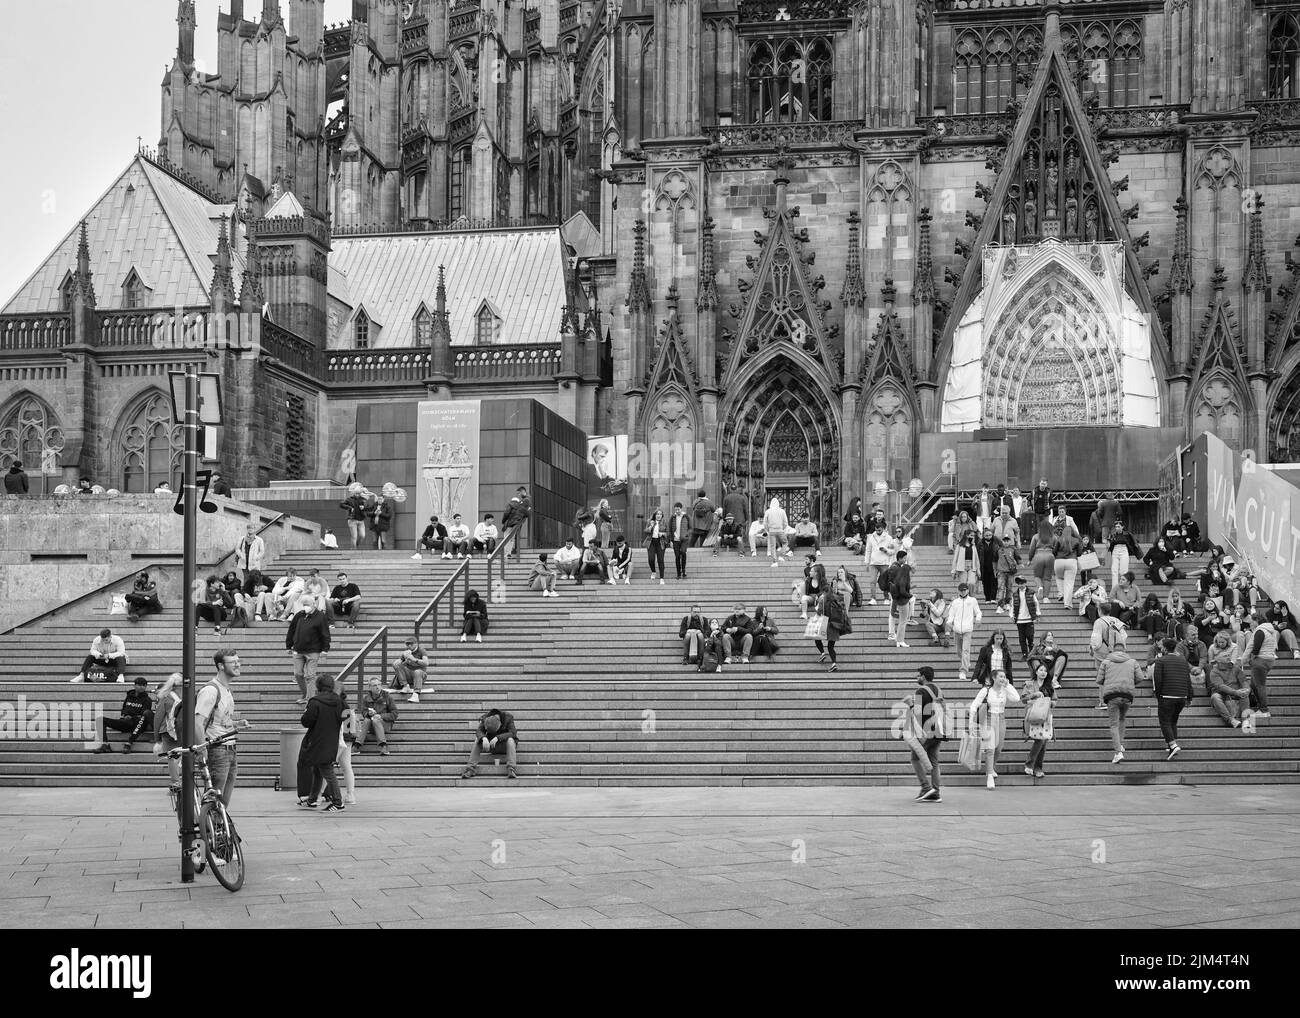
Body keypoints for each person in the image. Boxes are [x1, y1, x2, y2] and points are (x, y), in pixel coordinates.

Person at [195, 650, 241, 806]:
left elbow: (219, 720)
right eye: (233, 662)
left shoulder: (226, 689)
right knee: (214, 801)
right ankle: (209, 828)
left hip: (230, 748)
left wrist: (236, 724)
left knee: (222, 803)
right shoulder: (210, 690)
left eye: (238, 661)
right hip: (217, 749)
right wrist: (202, 751)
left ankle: (219, 828)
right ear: (221, 666)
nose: (238, 664)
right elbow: (197, 722)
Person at [297, 674, 345, 811]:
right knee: (318, 770)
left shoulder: (315, 702)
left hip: (316, 741)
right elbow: (345, 715)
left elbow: (306, 722)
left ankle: (338, 803)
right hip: (332, 741)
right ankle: (312, 800)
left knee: (327, 771)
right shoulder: (339, 701)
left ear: (318, 686)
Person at [969, 670, 1021, 789]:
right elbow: (974, 705)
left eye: (1004, 676)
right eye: (1001, 676)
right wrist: (971, 722)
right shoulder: (986, 690)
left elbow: (1016, 698)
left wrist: (1008, 685)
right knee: (990, 748)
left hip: (1001, 719)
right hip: (988, 718)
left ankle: (991, 767)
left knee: (999, 747)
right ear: (994, 678)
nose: (1003, 679)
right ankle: (989, 777)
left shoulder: (1005, 690)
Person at [907, 666, 947, 802]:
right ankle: (935, 792)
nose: (916, 678)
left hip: (927, 731)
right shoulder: (938, 690)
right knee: (934, 761)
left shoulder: (920, 691)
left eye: (918, 675)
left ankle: (925, 787)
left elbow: (917, 712)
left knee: (915, 758)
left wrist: (911, 705)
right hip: (939, 730)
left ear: (923, 676)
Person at [1097, 641, 1141, 764]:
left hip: (1112, 696)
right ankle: (1120, 744)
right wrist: (1129, 684)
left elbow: (1099, 680)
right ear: (1124, 650)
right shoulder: (1132, 662)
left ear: (1113, 650)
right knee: (1122, 719)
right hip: (1127, 695)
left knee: (1114, 724)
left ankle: (1118, 752)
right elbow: (1140, 677)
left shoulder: (1106, 662)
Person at [1153, 636, 1194, 759]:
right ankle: (1171, 745)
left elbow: (1158, 680)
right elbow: (1188, 679)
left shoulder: (1160, 661)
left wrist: (1158, 695)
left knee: (1164, 721)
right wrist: (1189, 696)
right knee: (1173, 721)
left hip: (1167, 695)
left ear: (1165, 648)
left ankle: (1173, 744)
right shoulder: (1182, 660)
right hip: (1181, 696)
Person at [91, 676, 155, 754]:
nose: (141, 687)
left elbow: (143, 715)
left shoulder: (147, 700)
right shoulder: (129, 696)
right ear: (134, 686)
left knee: (141, 720)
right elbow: (124, 708)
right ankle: (105, 745)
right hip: (125, 722)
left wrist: (131, 717)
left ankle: (129, 743)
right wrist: (124, 715)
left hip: (137, 724)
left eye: (144, 685)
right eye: (139, 685)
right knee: (100, 720)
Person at [286, 595, 330, 705]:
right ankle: (305, 694)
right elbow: (291, 630)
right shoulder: (299, 615)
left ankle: (310, 699)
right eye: (304, 605)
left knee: (310, 676)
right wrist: (288, 645)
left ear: (314, 604)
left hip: (313, 650)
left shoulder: (320, 616)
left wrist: (325, 649)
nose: (306, 607)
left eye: (308, 605)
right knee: (298, 674)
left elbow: (325, 633)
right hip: (298, 649)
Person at [460, 708, 520, 780]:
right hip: (491, 746)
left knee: (510, 740)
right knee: (477, 739)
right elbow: (479, 731)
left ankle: (511, 769)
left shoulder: (508, 717)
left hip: (505, 747)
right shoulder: (485, 718)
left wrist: (498, 737)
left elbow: (513, 733)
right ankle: (470, 769)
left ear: (500, 724)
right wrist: (483, 738)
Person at [1021, 661, 1056, 779]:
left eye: (1045, 671)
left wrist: (1047, 701)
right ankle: (1031, 764)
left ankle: (1037, 767)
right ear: (1036, 672)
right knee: (1039, 740)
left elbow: (1055, 701)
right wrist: (1034, 695)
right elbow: (1023, 699)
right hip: (1034, 715)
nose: (1043, 673)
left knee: (1043, 742)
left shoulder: (1049, 686)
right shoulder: (1030, 684)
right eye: (1041, 670)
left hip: (1046, 716)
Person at [1245, 617, 1281, 718]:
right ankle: (1260, 705)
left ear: (1256, 621)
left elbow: (1256, 648)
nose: (1250, 623)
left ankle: (1264, 710)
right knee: (1253, 684)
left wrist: (1251, 659)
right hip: (1269, 659)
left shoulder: (1260, 631)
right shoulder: (1269, 630)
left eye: (1251, 621)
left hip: (1260, 660)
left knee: (1260, 685)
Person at [151, 673, 184, 785]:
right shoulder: (189, 695)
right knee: (187, 756)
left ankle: (176, 783)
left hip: (168, 731)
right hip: (185, 730)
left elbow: (158, 718)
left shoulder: (165, 697)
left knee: (172, 758)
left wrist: (157, 738)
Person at [353, 677, 398, 756]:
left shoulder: (387, 697)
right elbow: (363, 711)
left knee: (376, 720)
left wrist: (381, 716)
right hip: (371, 726)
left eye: (379, 684)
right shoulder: (366, 698)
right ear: (370, 687)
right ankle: (357, 745)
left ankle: (383, 745)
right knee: (367, 720)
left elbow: (394, 713)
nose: (377, 687)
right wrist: (368, 714)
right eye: (374, 685)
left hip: (385, 725)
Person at [946, 582, 982, 673]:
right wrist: (949, 622)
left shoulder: (972, 600)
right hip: (957, 629)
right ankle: (966, 662)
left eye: (964, 590)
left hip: (967, 629)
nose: (963, 592)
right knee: (959, 651)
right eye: (961, 590)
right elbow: (951, 614)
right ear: (958, 591)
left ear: (968, 590)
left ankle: (964, 670)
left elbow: (978, 612)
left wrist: (978, 619)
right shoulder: (955, 602)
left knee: (965, 650)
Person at [1206, 656, 1250, 729]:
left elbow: (1243, 680)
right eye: (1225, 663)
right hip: (1221, 693)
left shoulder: (1236, 668)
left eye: (1229, 663)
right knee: (1215, 697)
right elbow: (1221, 686)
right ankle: (1231, 720)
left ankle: (1246, 720)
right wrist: (1235, 692)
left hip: (1236, 691)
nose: (1228, 665)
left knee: (1244, 693)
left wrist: (1247, 688)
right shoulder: (1214, 671)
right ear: (1219, 663)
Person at [813, 586, 849, 672]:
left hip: (826, 624)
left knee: (817, 638)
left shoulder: (823, 600)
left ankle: (822, 653)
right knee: (830, 647)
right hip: (836, 625)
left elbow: (819, 612)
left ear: (824, 592)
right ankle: (833, 664)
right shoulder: (837, 599)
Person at [887, 550, 914, 648]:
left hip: (898, 599)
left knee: (900, 621)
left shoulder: (899, 575)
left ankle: (898, 640)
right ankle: (900, 640)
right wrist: (910, 595)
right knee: (902, 621)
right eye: (904, 558)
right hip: (902, 601)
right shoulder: (902, 576)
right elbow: (902, 590)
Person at [389, 637, 429, 702]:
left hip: (420, 675)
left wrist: (414, 659)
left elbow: (426, 663)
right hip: (409, 674)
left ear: (416, 644)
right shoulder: (406, 651)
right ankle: (405, 686)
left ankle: (416, 695)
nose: (409, 646)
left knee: (417, 672)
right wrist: (401, 661)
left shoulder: (421, 650)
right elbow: (399, 662)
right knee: (397, 664)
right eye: (407, 644)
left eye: (411, 644)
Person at [1051, 523, 1082, 604]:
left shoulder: (1059, 539)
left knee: (1059, 577)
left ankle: (1061, 592)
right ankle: (1067, 604)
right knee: (1069, 583)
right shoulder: (1076, 540)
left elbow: (1054, 551)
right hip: (1071, 561)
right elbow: (1079, 553)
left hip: (1059, 562)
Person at [1009, 576, 1039, 660]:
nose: (1020, 585)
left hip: (1029, 618)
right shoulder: (1015, 594)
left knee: (1030, 636)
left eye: (1022, 583)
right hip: (1019, 619)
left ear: (1025, 583)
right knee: (1022, 638)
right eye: (1018, 583)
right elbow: (1012, 605)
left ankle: (1032, 652)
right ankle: (1025, 654)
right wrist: (1011, 615)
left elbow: (1036, 603)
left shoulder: (1031, 592)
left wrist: (1037, 614)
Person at [337, 693, 358, 806]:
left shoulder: (337, 707)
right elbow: (350, 729)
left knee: (327, 766)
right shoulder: (347, 708)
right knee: (347, 767)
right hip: (347, 740)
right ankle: (350, 794)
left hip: (339, 740)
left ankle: (319, 795)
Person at [500, 486, 533, 559]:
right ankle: (508, 554)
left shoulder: (525, 500)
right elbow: (527, 513)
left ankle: (506, 554)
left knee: (506, 539)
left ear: (522, 492)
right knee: (511, 539)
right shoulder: (523, 502)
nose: (518, 495)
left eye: (518, 493)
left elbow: (507, 513)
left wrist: (503, 521)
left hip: (511, 523)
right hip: (516, 523)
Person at [1107, 523, 1141, 592]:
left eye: (1119, 526)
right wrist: (1108, 543)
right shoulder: (1112, 534)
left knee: (1123, 571)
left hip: (1124, 551)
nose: (1117, 528)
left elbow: (1134, 542)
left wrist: (1135, 550)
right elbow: (1109, 544)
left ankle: (1124, 587)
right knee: (1114, 570)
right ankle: (1114, 588)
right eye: (1116, 527)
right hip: (1115, 551)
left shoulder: (1127, 534)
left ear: (1122, 527)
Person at [234, 522, 265, 594]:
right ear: (247, 529)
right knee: (246, 578)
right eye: (248, 528)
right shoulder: (242, 538)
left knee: (255, 578)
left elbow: (262, 551)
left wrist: (257, 557)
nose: (250, 530)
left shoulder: (259, 539)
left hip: (254, 563)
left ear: (254, 529)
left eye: (252, 528)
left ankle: (256, 593)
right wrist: (240, 555)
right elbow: (237, 548)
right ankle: (246, 593)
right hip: (244, 562)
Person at [993, 535, 1020, 612]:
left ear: (1010, 541)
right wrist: (995, 570)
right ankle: (1000, 605)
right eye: (1004, 540)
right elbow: (994, 560)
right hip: (1001, 571)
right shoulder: (998, 549)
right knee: (1001, 588)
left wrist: (1020, 563)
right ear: (1002, 541)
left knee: (1009, 588)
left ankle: (1008, 603)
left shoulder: (1013, 549)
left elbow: (1017, 557)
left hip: (1010, 571)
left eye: (1007, 540)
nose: (1006, 542)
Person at [764, 496, 790, 566]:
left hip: (772, 531)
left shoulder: (768, 511)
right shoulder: (782, 511)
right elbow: (785, 522)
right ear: (778, 504)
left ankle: (774, 561)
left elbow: (765, 523)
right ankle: (781, 556)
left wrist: (767, 530)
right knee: (785, 543)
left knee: (772, 547)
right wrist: (782, 528)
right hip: (780, 530)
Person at [976, 528, 1000, 604]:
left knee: (994, 582)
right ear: (983, 536)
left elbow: (1002, 549)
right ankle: (987, 598)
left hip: (994, 565)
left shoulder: (996, 542)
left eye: (990, 535)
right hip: (984, 565)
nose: (988, 536)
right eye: (986, 535)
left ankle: (993, 598)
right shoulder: (980, 543)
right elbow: (976, 554)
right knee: (986, 583)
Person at [644, 509, 669, 583]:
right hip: (651, 542)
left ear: (662, 515)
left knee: (660, 560)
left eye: (660, 514)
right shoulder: (650, 521)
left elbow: (668, 533)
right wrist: (651, 526)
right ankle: (653, 571)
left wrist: (663, 534)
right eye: (657, 514)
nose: (659, 515)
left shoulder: (664, 522)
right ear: (655, 515)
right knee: (651, 559)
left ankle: (662, 578)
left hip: (660, 542)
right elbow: (646, 531)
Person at [670, 502, 691, 578]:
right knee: (677, 556)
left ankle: (684, 570)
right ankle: (678, 573)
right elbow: (670, 529)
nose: (677, 511)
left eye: (678, 509)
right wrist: (671, 540)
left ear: (681, 509)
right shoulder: (673, 517)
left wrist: (687, 534)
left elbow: (690, 528)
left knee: (683, 552)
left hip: (684, 539)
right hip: (675, 540)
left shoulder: (686, 517)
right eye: (675, 510)